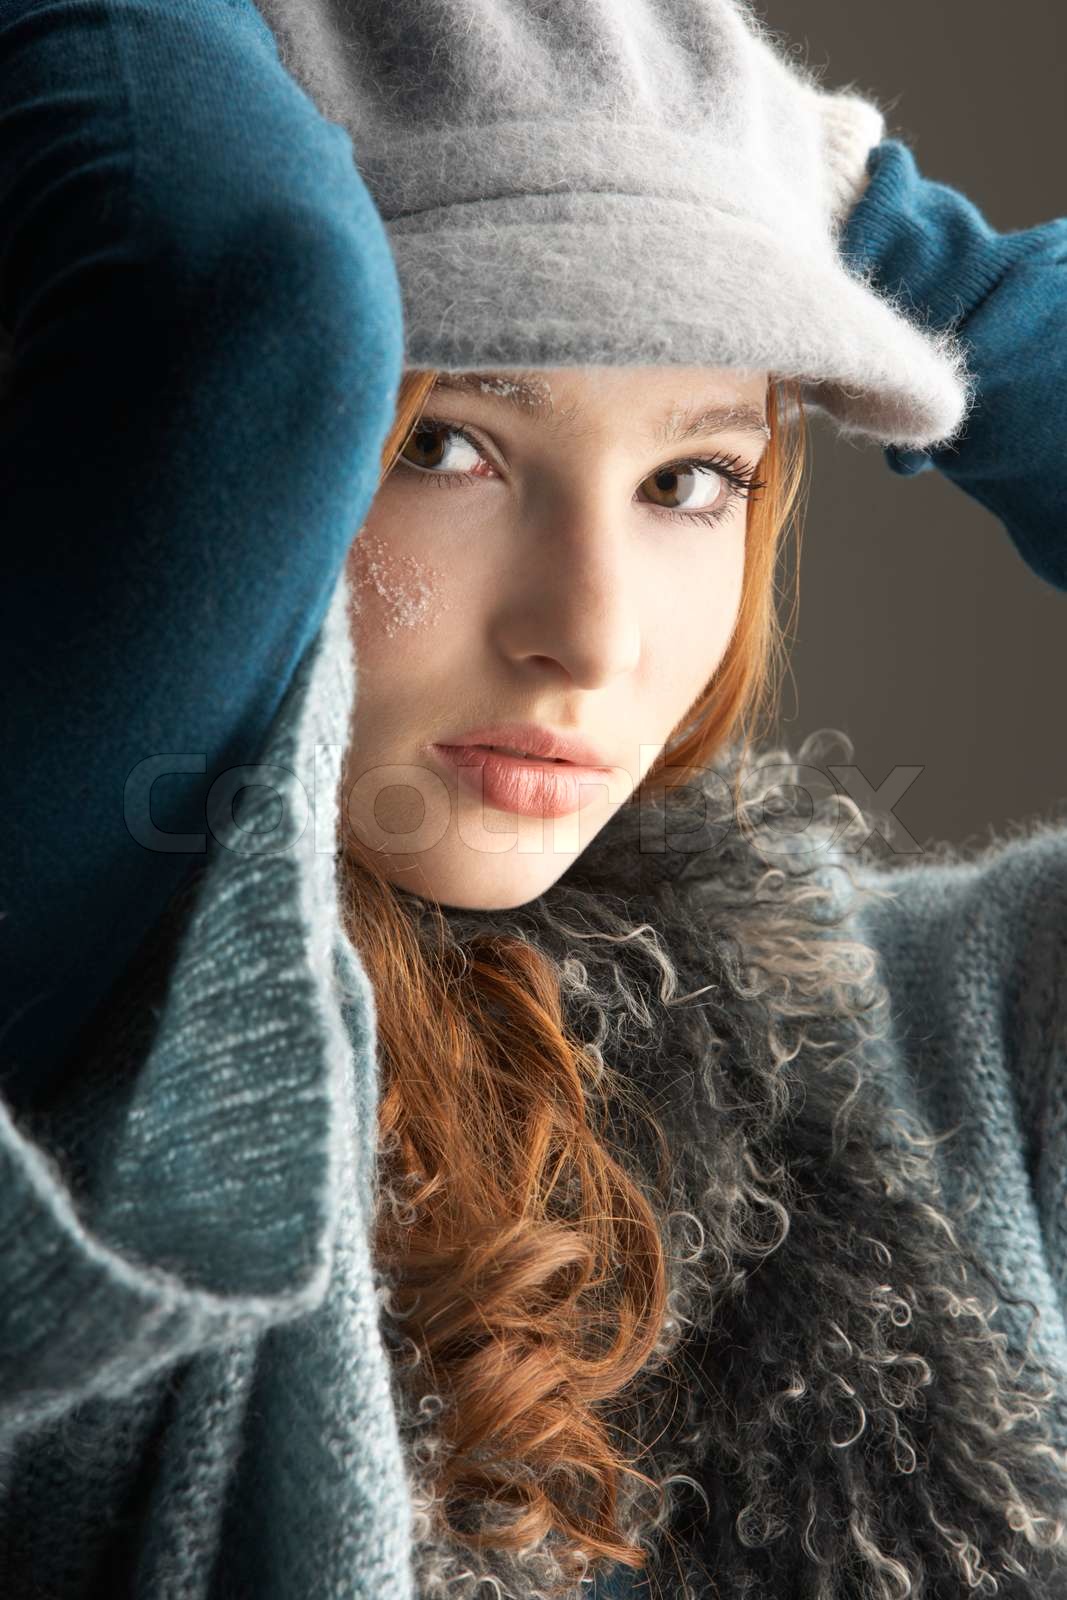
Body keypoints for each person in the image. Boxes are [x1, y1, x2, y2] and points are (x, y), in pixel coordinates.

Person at [0, 1, 1064, 1597]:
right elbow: (245, 302)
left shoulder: (929, 1045)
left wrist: (844, 213)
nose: (593, 630)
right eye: (442, 442)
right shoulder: (91, 1041)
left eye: (689, 479)